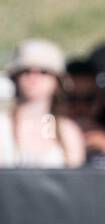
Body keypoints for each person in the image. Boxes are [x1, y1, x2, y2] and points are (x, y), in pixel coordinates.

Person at [1, 39, 84, 168]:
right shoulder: (3, 126)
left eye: (43, 72)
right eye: (26, 71)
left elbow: (74, 183)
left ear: (57, 81)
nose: (33, 77)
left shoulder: (67, 132)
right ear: (15, 77)